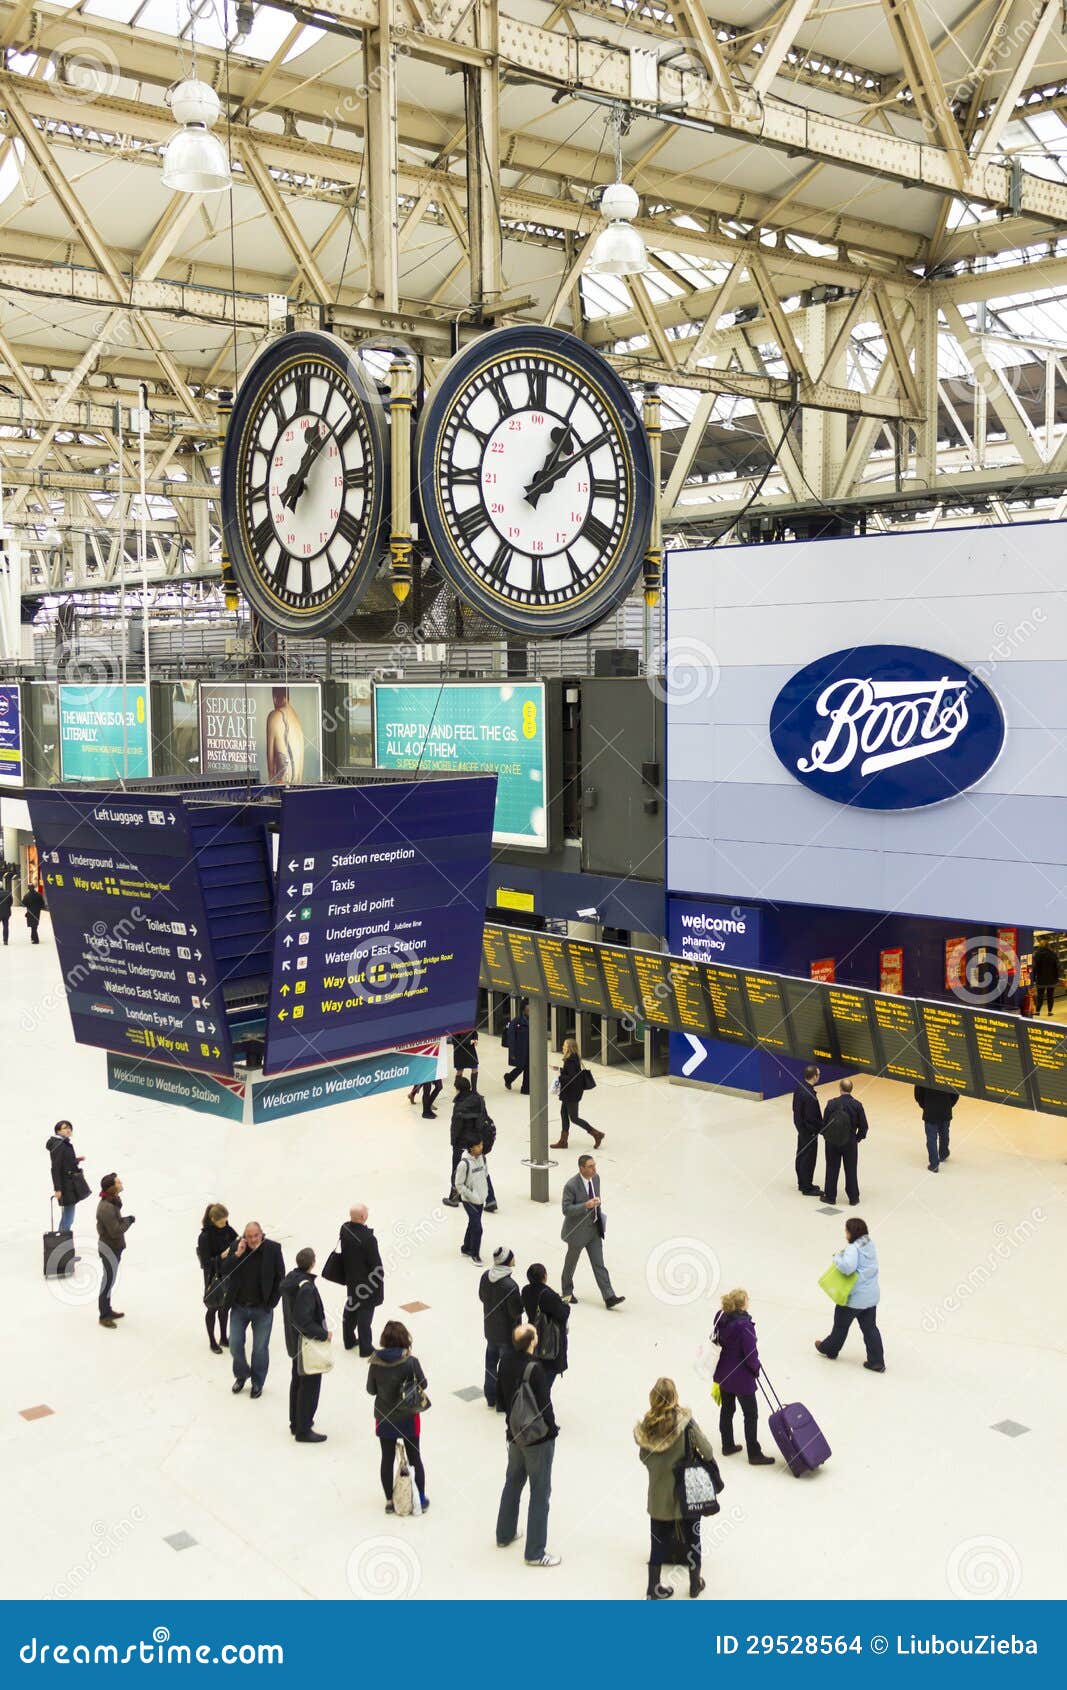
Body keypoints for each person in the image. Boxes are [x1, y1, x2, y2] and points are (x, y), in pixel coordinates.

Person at [634, 1377, 721, 1599]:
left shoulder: (647, 1425)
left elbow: (644, 1457)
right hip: (687, 1493)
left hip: (658, 1495)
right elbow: (708, 1452)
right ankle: (694, 1584)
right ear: (675, 1397)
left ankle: (653, 1587)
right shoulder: (686, 1423)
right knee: (694, 1539)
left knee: (657, 1543)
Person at [495, 1325, 560, 1567]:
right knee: (540, 1492)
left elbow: (502, 1400)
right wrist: (552, 1430)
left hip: (514, 1434)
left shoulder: (505, 1362)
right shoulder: (535, 1369)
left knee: (513, 1481)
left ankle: (505, 1533)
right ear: (532, 1342)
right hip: (536, 1439)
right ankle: (535, 1552)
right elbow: (545, 1406)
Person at [366, 1319, 429, 1514]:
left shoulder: (375, 1363)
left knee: (387, 1458)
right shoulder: (411, 1362)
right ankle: (419, 1497)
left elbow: (371, 1390)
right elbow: (424, 1384)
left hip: (384, 1417)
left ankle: (388, 1500)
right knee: (414, 1458)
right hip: (408, 1416)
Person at [222, 1221, 285, 1398]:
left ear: (261, 1234)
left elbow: (281, 1277)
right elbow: (224, 1270)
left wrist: (272, 1303)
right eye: (249, 1237)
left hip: (262, 1309)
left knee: (259, 1349)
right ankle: (242, 1374)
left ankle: (258, 1382)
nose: (252, 1240)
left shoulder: (273, 1249)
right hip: (239, 1307)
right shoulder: (237, 1247)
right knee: (234, 1345)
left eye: (255, 1236)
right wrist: (238, 1254)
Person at [711, 1289, 774, 1466]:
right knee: (751, 1414)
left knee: (727, 1409)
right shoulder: (744, 1326)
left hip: (724, 1372)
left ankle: (727, 1444)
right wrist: (755, 1368)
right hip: (742, 1377)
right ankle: (754, 1453)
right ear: (742, 1304)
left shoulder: (721, 1317)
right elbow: (750, 1354)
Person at [815, 1216, 885, 1373]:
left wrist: (837, 1257)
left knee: (840, 1326)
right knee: (870, 1328)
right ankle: (877, 1361)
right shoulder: (869, 1244)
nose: (845, 1234)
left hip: (854, 1298)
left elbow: (848, 1267)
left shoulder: (853, 1248)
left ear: (851, 1232)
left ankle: (829, 1349)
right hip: (871, 1297)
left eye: (846, 1231)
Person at [280, 1246, 331, 1443]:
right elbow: (303, 1321)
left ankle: (296, 1422)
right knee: (309, 1386)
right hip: (306, 1344)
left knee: (297, 1382)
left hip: (294, 1342)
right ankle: (303, 1428)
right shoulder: (306, 1287)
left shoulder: (291, 1280)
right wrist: (323, 1334)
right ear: (312, 1263)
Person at [560, 1154, 623, 1308]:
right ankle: (567, 1292)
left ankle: (609, 1296)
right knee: (571, 1264)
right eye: (590, 1166)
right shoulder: (571, 1185)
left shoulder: (596, 1178)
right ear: (581, 1168)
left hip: (594, 1230)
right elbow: (566, 1209)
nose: (594, 1169)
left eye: (594, 1165)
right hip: (577, 1232)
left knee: (599, 1264)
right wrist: (585, 1205)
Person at [444, 1075, 497, 1211]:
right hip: (478, 1142)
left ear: (458, 1089)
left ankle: (454, 1197)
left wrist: (454, 1144)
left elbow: (456, 1128)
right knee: (482, 1171)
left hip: (463, 1144)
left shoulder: (459, 1106)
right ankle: (491, 1199)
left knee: (457, 1170)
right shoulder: (479, 1100)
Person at [479, 1246, 523, 1410]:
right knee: (506, 1368)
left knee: (490, 1364)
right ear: (507, 1261)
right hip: (506, 1334)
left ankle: (490, 1396)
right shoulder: (510, 1286)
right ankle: (504, 1400)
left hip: (490, 1330)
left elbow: (482, 1297)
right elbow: (515, 1312)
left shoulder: (485, 1277)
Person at [338, 1203, 384, 1356]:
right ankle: (366, 1348)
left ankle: (349, 1340)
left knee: (351, 1308)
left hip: (351, 1278)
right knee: (365, 1314)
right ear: (364, 1217)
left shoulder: (344, 1229)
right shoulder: (368, 1239)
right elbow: (376, 1265)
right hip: (366, 1283)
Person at [521, 1263, 569, 1394]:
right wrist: (565, 1305)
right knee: (546, 1379)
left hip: (533, 1337)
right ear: (544, 1276)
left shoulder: (525, 1291)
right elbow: (562, 1314)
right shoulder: (548, 1295)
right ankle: (538, 1404)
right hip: (548, 1341)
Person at [197, 1201, 237, 1354]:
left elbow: (236, 1239)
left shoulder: (227, 1229)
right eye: (222, 1221)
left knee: (224, 1306)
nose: (225, 1223)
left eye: (226, 1220)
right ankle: (212, 1340)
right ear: (213, 1220)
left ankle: (223, 1337)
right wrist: (222, 1256)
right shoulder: (205, 1236)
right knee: (213, 1307)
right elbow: (206, 1262)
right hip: (213, 1275)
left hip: (227, 1272)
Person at [820, 1077, 868, 1206]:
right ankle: (853, 1198)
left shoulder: (831, 1103)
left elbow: (823, 1125)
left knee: (831, 1168)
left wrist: (827, 1137)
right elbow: (864, 1127)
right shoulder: (857, 1105)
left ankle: (830, 1196)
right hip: (850, 1142)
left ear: (840, 1089)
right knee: (851, 1169)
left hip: (832, 1142)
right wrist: (856, 1139)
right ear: (851, 1090)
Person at [96, 1173, 134, 1329]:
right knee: (108, 1281)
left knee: (110, 1280)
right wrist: (128, 1221)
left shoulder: (113, 1202)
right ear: (112, 1188)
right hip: (109, 1248)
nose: (121, 1183)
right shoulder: (107, 1207)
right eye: (118, 1182)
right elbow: (115, 1231)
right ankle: (104, 1315)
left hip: (114, 1247)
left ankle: (107, 1309)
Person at [550, 1036, 603, 1149]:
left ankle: (596, 1134)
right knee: (564, 1114)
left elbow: (572, 1077)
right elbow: (571, 1073)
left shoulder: (571, 1060)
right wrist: (559, 1069)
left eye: (564, 1045)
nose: (563, 1047)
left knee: (574, 1118)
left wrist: (560, 1078)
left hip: (572, 1093)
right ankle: (563, 1141)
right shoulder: (572, 1058)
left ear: (569, 1048)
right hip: (570, 1092)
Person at [46, 1118, 88, 1240]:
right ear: (58, 1131)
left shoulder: (64, 1143)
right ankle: (61, 1245)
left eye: (70, 1127)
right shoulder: (59, 1145)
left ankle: (62, 1243)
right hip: (65, 1185)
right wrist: (57, 1189)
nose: (69, 1130)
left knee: (68, 1216)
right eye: (65, 1128)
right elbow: (55, 1168)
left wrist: (75, 1160)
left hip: (69, 1183)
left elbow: (64, 1162)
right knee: (68, 1217)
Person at [454, 1135, 488, 1263]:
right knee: (478, 1228)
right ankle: (475, 1254)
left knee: (472, 1224)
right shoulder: (464, 1164)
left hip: (481, 1199)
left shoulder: (483, 1159)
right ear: (471, 1148)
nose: (481, 1147)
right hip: (469, 1201)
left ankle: (466, 1247)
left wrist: (484, 1193)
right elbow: (459, 1184)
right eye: (478, 1146)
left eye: (481, 1145)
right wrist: (471, 1194)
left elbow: (485, 1175)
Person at [792, 1063, 823, 1195]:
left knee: (801, 1156)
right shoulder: (810, 1096)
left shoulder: (799, 1088)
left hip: (801, 1129)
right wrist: (820, 1129)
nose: (819, 1076)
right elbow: (812, 1118)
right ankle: (807, 1187)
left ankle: (802, 1182)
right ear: (814, 1076)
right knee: (809, 1159)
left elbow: (795, 1109)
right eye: (819, 1074)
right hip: (809, 1132)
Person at [914, 1084, 959, 1173]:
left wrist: (926, 1106)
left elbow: (918, 1094)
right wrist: (949, 1105)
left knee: (931, 1138)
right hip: (945, 1110)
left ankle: (934, 1164)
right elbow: (955, 1094)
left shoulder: (924, 1074)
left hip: (930, 1111)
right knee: (944, 1133)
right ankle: (943, 1154)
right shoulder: (947, 1073)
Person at [265, 687, 305, 785]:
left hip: (282, 788)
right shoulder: (296, 718)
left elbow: (271, 770)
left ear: (274, 698)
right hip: (298, 789)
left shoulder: (275, 715)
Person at [503, 1000, 530, 1093]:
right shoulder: (516, 1021)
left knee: (527, 1068)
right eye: (528, 1006)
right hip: (520, 1050)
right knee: (521, 1067)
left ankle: (526, 1089)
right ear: (523, 1009)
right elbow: (511, 1038)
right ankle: (509, 1078)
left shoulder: (534, 1020)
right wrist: (512, 1052)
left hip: (530, 1049)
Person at [1030, 940, 1061, 1016]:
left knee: (1040, 995)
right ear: (1048, 945)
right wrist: (1058, 977)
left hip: (1040, 979)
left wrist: (1033, 979)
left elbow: (1034, 968)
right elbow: (1057, 967)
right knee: (1050, 995)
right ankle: (1049, 1011)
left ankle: (1037, 1011)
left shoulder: (1037, 955)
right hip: (1052, 979)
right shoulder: (1053, 954)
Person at [451, 1027, 479, 1091]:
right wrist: (469, 1041)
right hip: (459, 1052)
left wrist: (476, 1039)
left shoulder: (469, 1024)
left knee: (475, 1067)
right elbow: (455, 1040)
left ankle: (474, 1090)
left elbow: (475, 1033)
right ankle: (458, 1089)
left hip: (471, 1050)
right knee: (460, 1070)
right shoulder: (455, 1026)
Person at [0, 879, 11, 945]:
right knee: (6, 926)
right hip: (6, 912)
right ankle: (5, 940)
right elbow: (10, 902)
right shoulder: (7, 893)